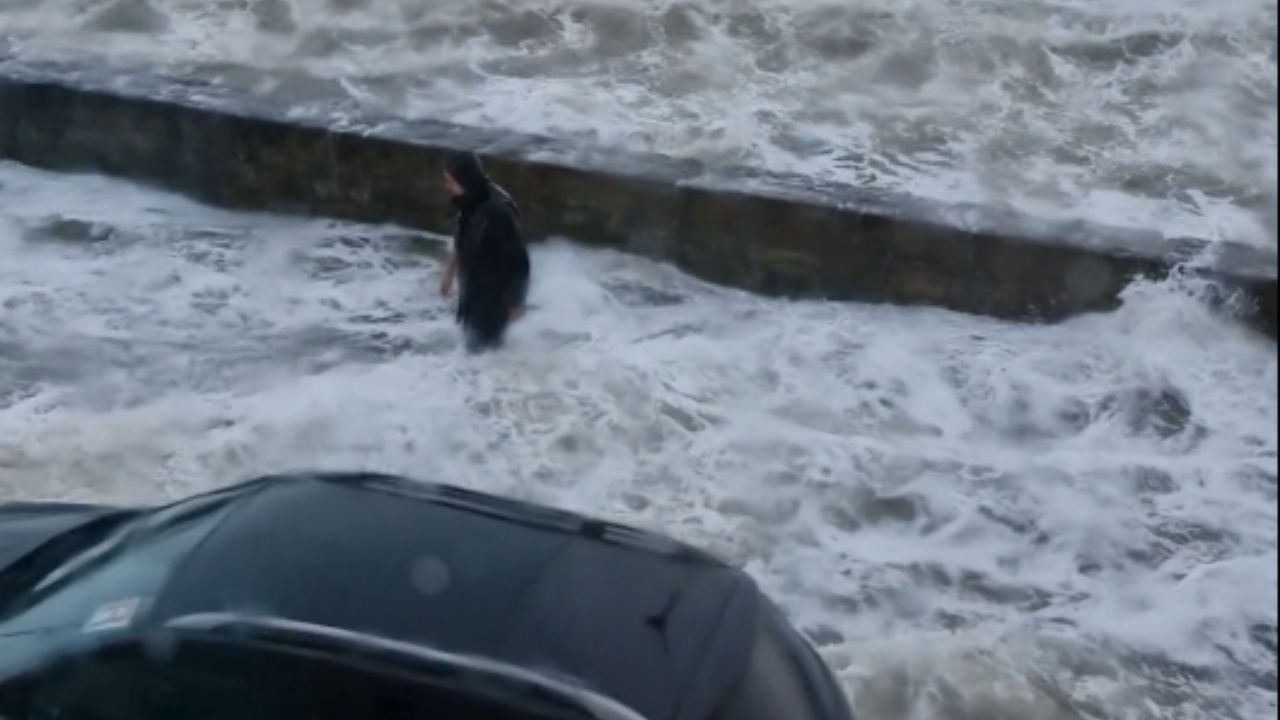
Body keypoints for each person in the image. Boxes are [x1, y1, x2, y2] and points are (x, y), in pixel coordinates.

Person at [438, 150, 530, 353]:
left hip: (493, 299)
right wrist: (449, 271)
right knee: (471, 349)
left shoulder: (497, 212)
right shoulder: (468, 201)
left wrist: (516, 302)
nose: (447, 187)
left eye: (450, 181)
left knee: (485, 355)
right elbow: (463, 236)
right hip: (473, 292)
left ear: (465, 180)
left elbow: (519, 260)